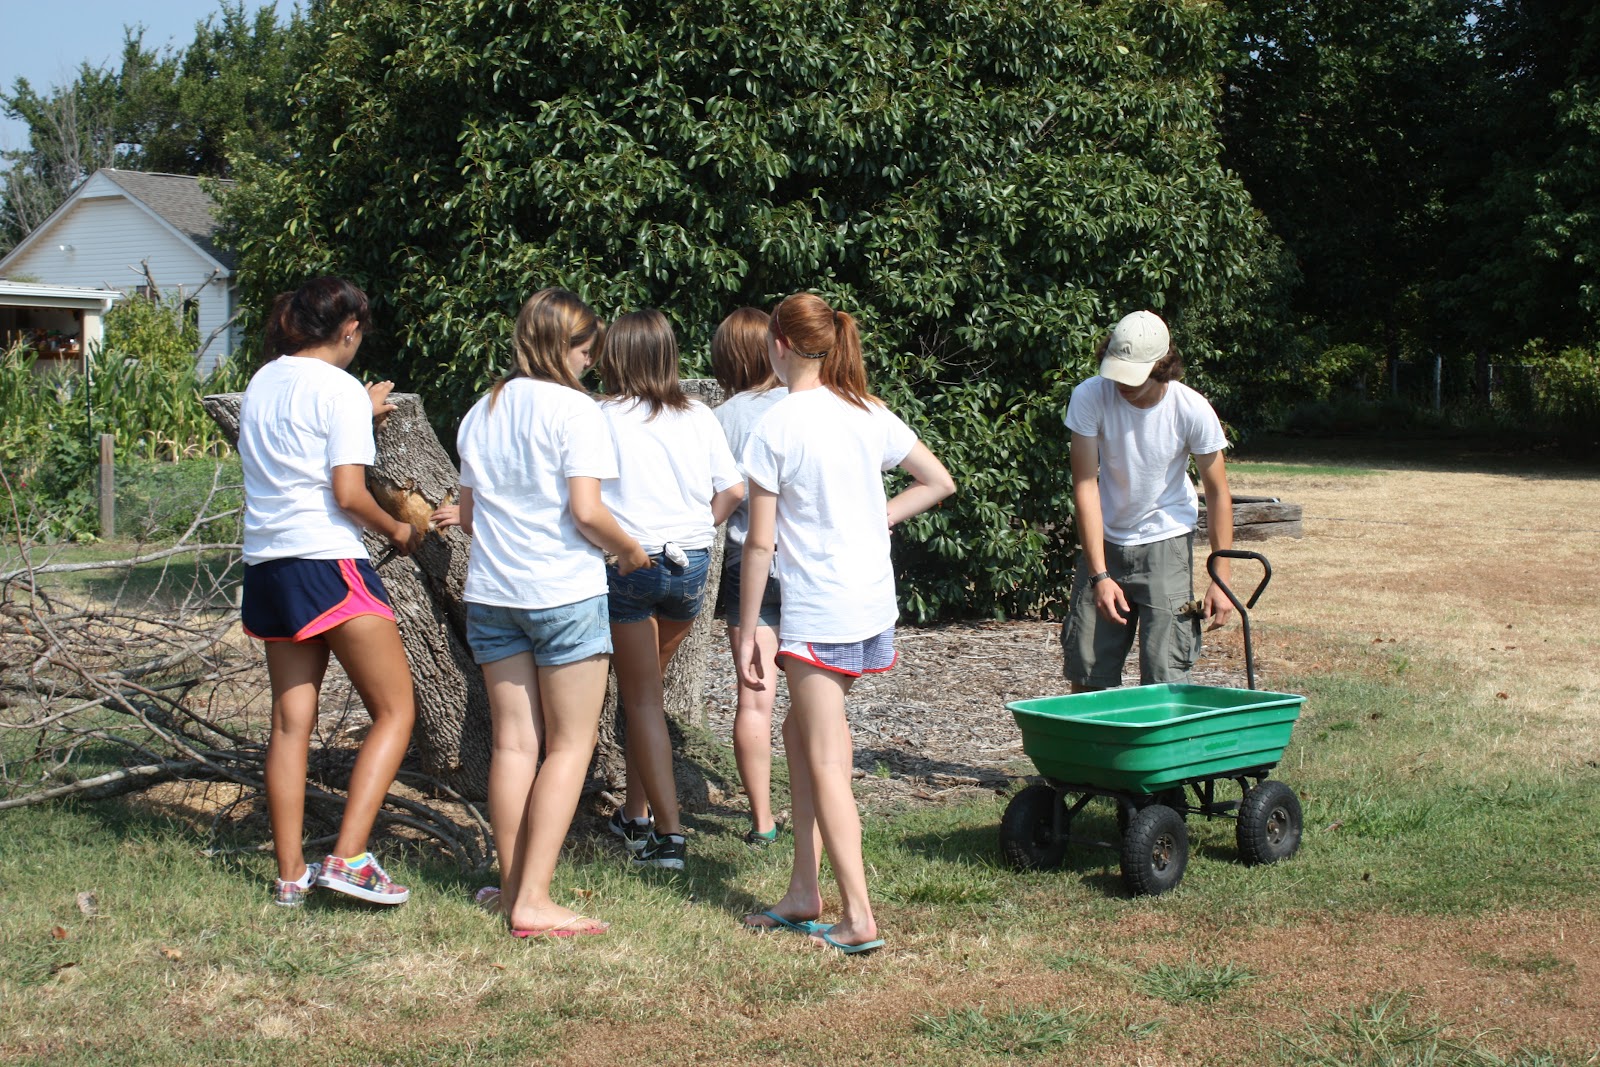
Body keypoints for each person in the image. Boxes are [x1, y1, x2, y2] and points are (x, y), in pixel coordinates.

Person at [735, 292, 955, 954]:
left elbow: (759, 544)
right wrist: (879, 515)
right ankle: (806, 889)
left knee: (824, 755)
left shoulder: (776, 425)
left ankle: (858, 915)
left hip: (817, 611)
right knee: (803, 733)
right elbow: (938, 480)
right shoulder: (869, 411)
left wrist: (748, 628)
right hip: (867, 608)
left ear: (778, 344)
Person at [432, 289, 649, 937]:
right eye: (588, 350)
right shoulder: (577, 413)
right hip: (563, 593)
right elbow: (586, 512)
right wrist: (631, 549)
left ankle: (510, 886)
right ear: (565, 345)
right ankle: (535, 899)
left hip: (494, 594)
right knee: (571, 744)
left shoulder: (483, 409)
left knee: (515, 743)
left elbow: (468, 516)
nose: (591, 362)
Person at [238, 276, 421, 908]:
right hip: (326, 560)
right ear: (349, 330)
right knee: (396, 711)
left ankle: (290, 876)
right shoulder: (340, 389)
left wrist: (356, 412)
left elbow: (296, 442)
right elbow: (347, 494)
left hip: (267, 564)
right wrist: (398, 527)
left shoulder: (263, 380)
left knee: (290, 727)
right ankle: (348, 857)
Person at [596, 309, 745, 872]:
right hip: (690, 567)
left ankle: (668, 836)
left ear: (614, 355)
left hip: (630, 564)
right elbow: (731, 491)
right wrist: (694, 528)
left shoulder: (600, 415)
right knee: (647, 700)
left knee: (642, 703)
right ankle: (634, 814)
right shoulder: (697, 413)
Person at [1062, 309, 1234, 692]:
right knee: (1088, 670)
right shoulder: (1090, 396)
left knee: (1166, 673)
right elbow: (1085, 485)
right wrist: (1099, 575)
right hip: (1105, 540)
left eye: (1132, 374)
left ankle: (1160, 752)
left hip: (1166, 542)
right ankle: (1092, 751)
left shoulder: (1191, 409)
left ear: (1162, 366)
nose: (1121, 383)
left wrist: (1221, 579)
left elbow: (1219, 493)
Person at [709, 307, 788, 848]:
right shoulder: (806, 405)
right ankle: (818, 804)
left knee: (754, 698)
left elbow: (721, 492)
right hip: (808, 564)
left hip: (747, 566)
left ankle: (762, 819)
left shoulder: (724, 417)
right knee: (815, 700)